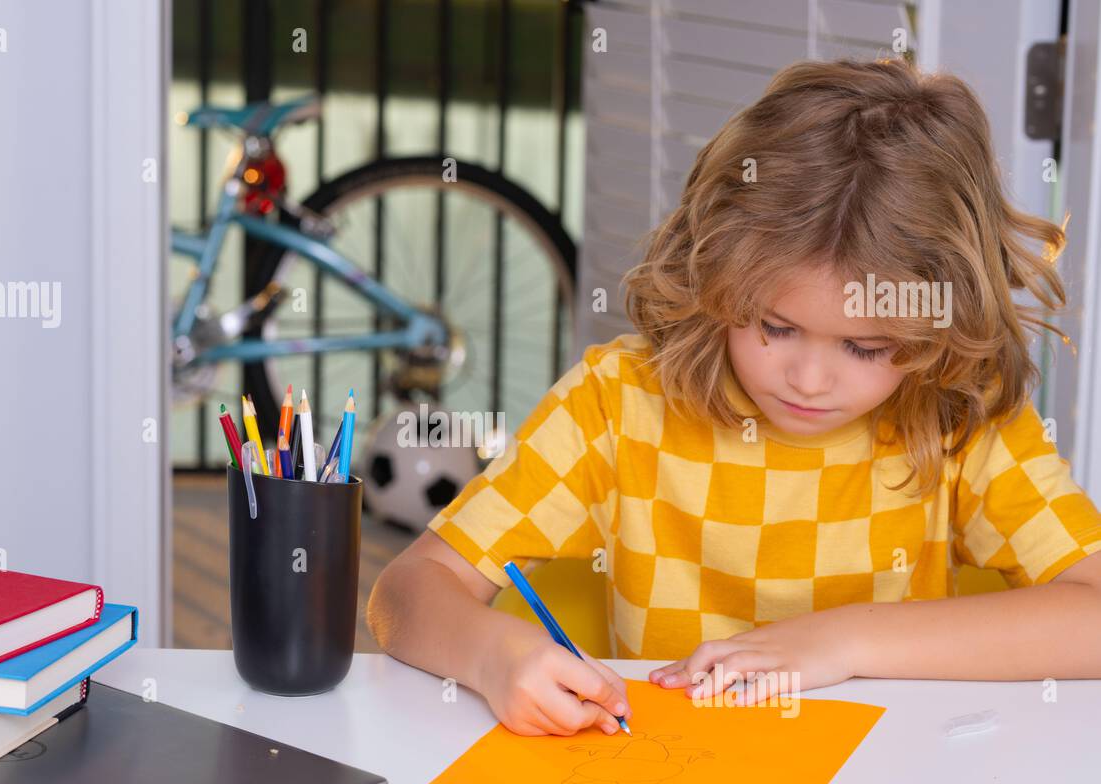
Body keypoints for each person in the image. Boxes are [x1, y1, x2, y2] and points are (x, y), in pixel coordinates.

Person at [367, 58, 1101, 737]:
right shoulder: (618, 405)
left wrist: (841, 640)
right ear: (715, 278)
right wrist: (496, 656)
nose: (810, 380)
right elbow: (405, 594)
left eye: (868, 347)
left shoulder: (956, 416)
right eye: (776, 327)